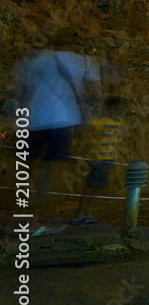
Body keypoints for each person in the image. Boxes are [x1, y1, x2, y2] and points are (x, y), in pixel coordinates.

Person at [14, 48, 101, 235]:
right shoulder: (82, 60)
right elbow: (92, 90)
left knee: (24, 168)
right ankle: (32, 221)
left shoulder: (34, 59)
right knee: (49, 171)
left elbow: (27, 92)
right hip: (60, 120)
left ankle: (13, 218)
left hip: (34, 121)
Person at [71, 95, 123, 225]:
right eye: (117, 109)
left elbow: (112, 144)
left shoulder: (116, 124)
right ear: (110, 108)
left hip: (106, 160)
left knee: (96, 187)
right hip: (96, 159)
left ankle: (88, 213)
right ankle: (79, 214)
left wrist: (113, 160)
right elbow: (87, 127)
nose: (119, 112)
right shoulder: (101, 121)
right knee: (90, 186)